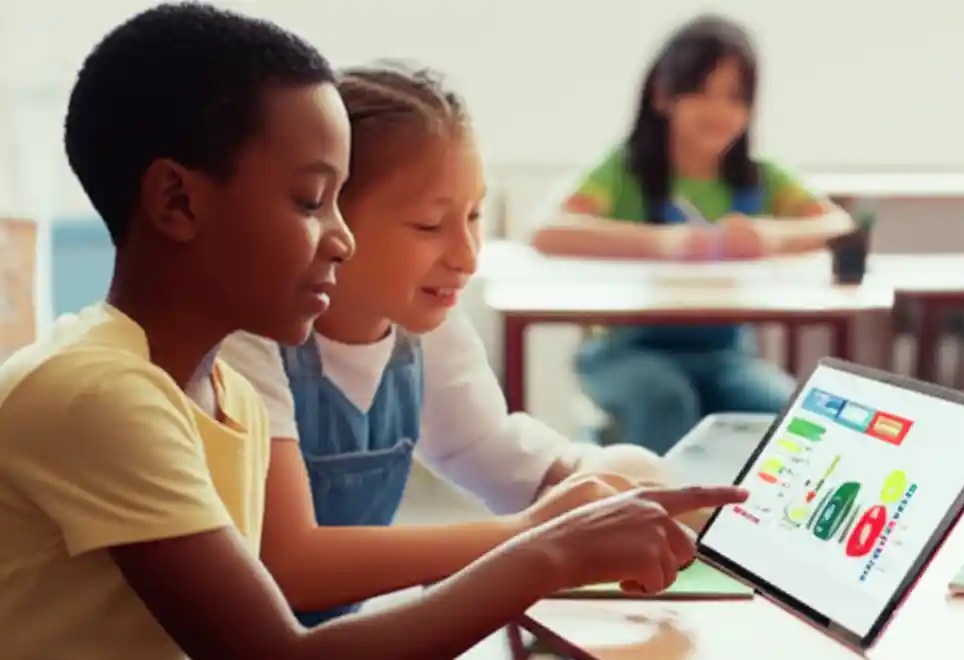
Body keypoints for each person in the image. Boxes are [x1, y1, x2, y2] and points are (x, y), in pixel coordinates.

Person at [0, 5, 745, 660]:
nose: (342, 239)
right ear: (177, 202)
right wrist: (546, 546)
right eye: (312, 201)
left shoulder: (225, 396)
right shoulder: (99, 393)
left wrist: (563, 519)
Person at [220, 62, 677, 630]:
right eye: (430, 225)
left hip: (315, 658)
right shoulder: (244, 343)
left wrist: (597, 475)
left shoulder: (421, 328)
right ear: (326, 214)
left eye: (475, 215)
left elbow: (485, 445)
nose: (467, 255)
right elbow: (289, 563)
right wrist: (535, 535)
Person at [531, 14, 852, 455]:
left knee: (788, 408)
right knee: (663, 398)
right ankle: (650, 519)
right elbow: (548, 231)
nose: (719, 112)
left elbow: (837, 224)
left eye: (735, 97)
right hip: (621, 352)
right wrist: (665, 243)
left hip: (725, 354)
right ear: (664, 95)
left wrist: (768, 236)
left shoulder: (758, 177)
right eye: (702, 93)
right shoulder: (626, 170)